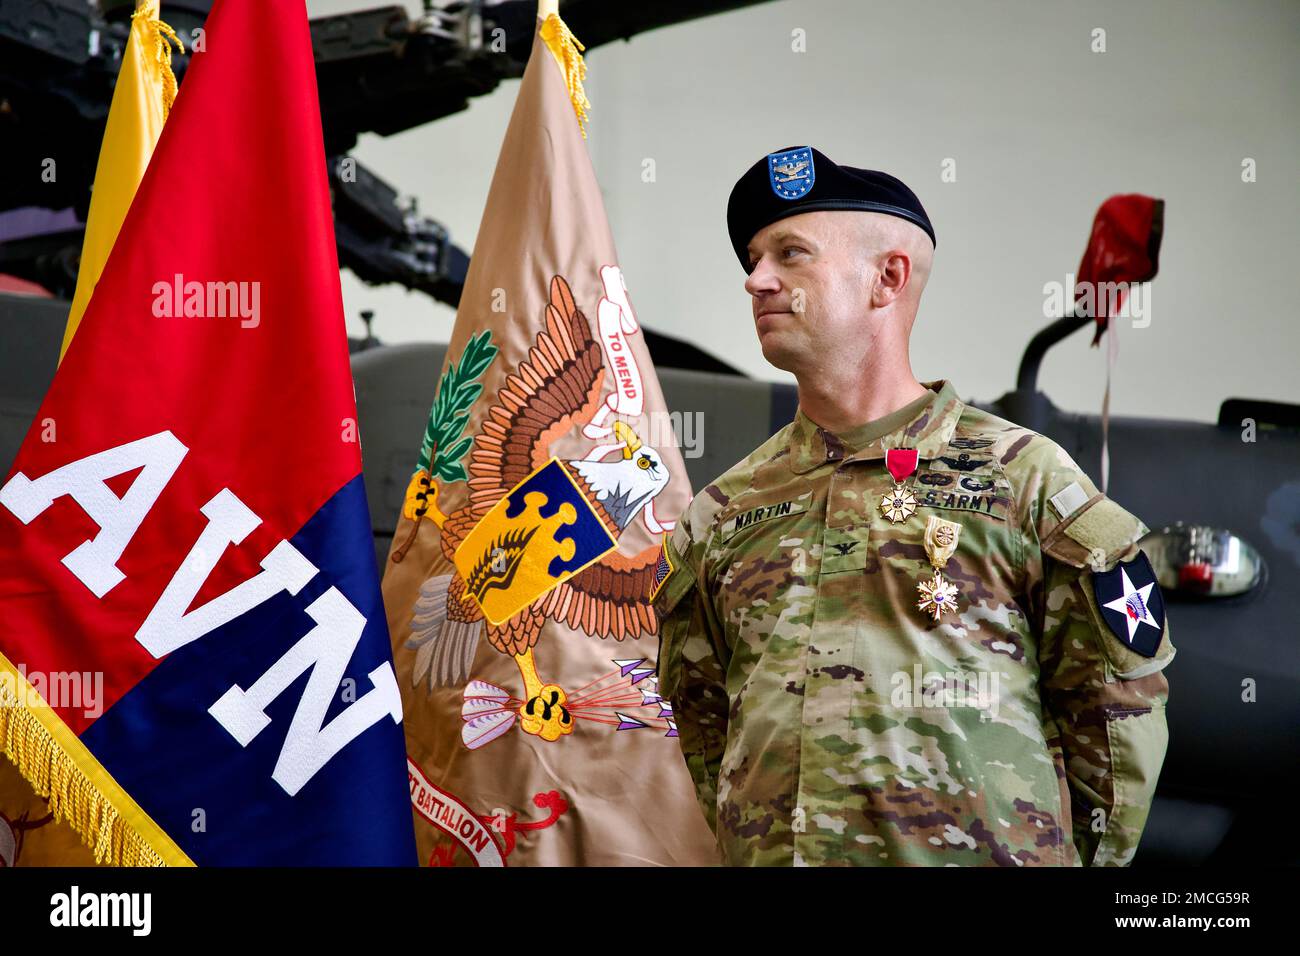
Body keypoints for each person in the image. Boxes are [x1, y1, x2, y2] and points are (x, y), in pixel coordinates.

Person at [650, 146, 1174, 867]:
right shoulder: (723, 512)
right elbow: (708, 725)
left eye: (790, 254)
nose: (756, 279)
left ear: (886, 278)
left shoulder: (1028, 482)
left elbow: (1116, 715)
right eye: (753, 256)